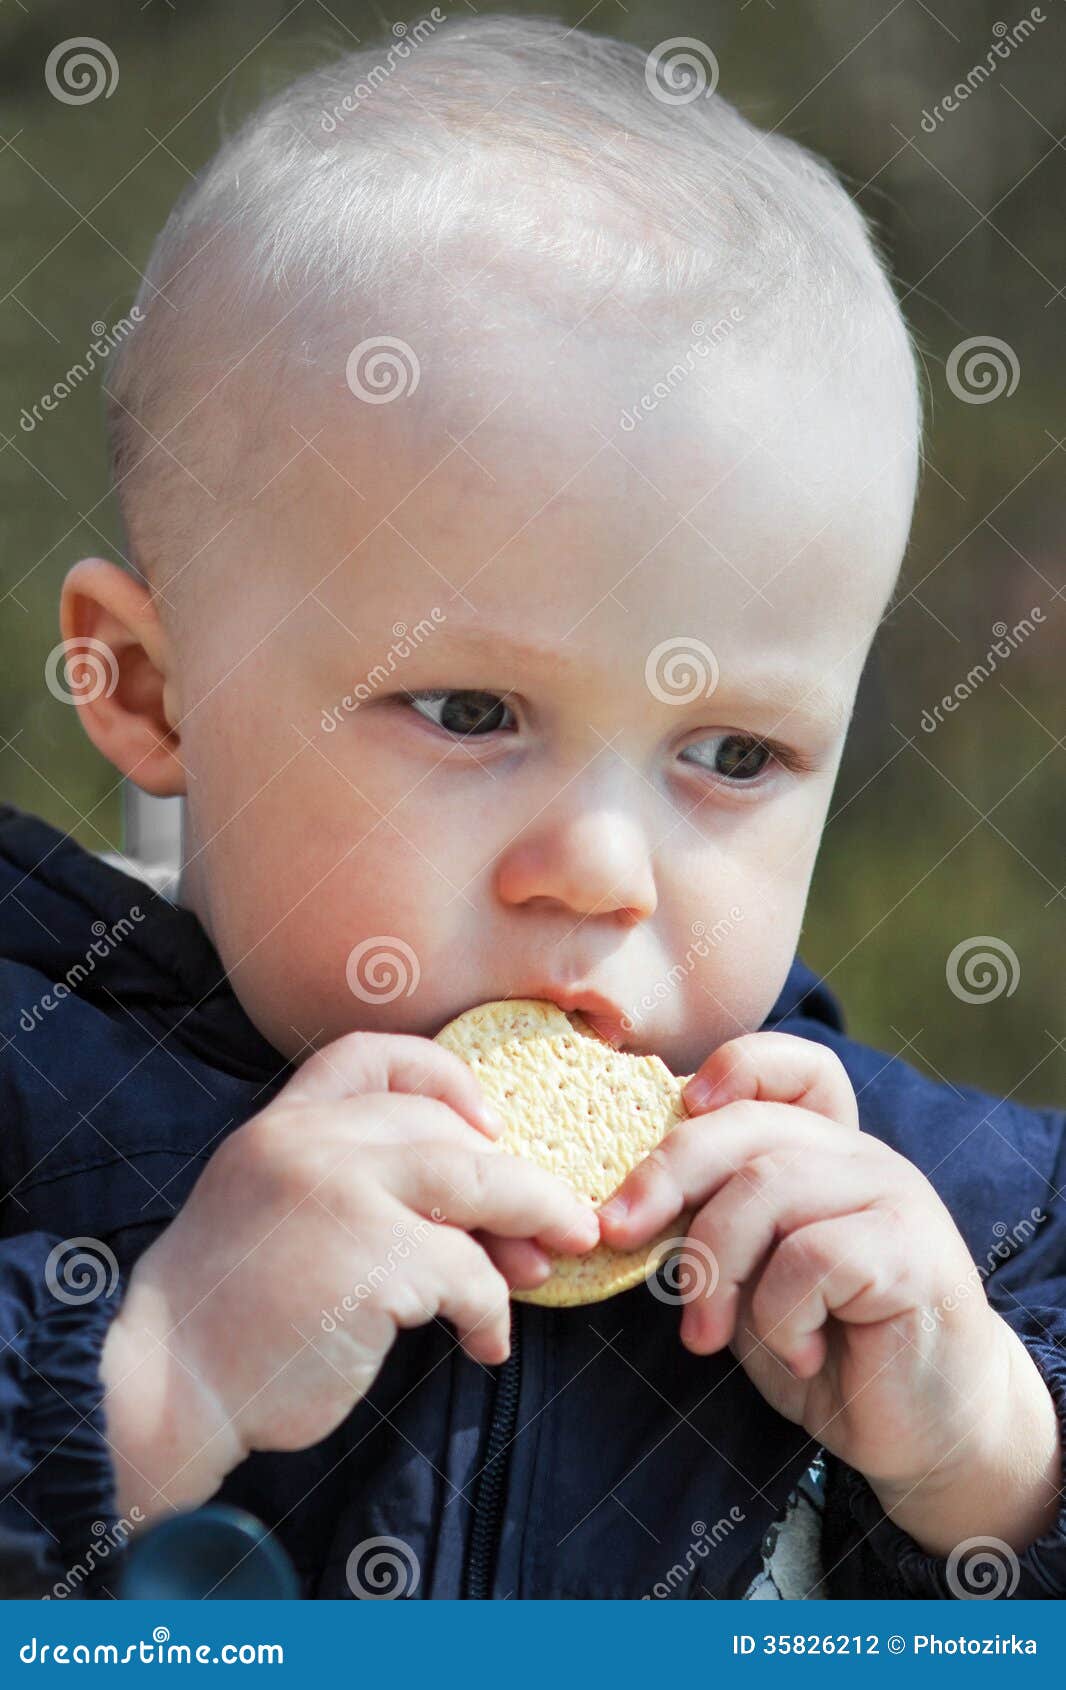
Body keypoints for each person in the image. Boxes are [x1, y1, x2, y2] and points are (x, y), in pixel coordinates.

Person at [1, 16, 1062, 1600]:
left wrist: (983, 1457)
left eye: (732, 755)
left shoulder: (944, 1223)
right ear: (154, 691)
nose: (604, 872)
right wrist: (154, 1382)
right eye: (471, 711)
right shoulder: (40, 1090)